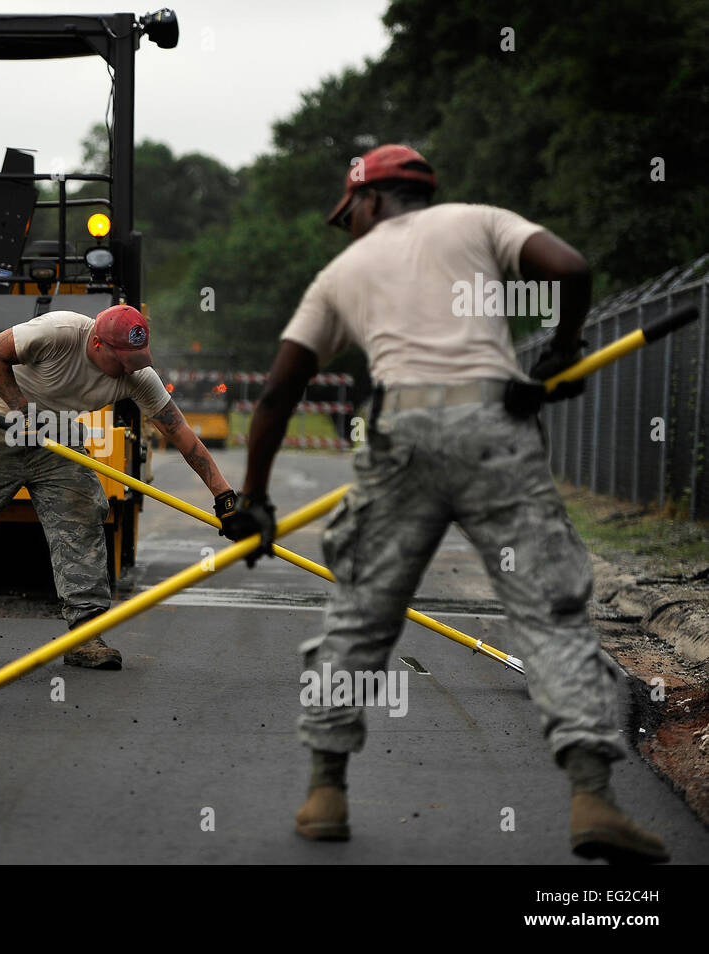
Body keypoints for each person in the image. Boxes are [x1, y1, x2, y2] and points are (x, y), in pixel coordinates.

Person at [223, 144, 668, 862]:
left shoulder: (342, 272)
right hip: (496, 428)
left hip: (402, 435)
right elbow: (573, 269)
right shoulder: (481, 222)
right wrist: (561, 349)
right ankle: (592, 798)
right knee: (548, 609)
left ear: (368, 202)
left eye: (352, 214)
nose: (353, 227)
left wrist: (255, 501)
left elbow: (277, 393)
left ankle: (325, 792)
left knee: (361, 613)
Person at [0, 305, 237, 671]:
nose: (131, 368)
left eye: (138, 359)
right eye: (124, 360)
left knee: (82, 517)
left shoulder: (137, 375)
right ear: (98, 345)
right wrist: (22, 408)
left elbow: (179, 433)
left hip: (59, 435)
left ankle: (85, 635)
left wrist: (224, 497)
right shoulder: (59, 332)